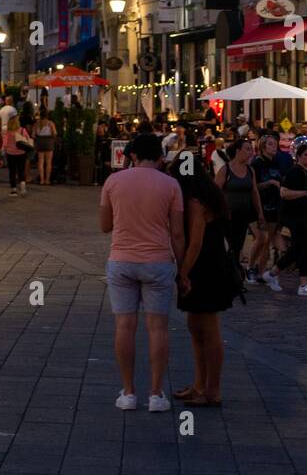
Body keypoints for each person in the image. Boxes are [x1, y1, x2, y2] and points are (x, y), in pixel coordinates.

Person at [100, 133, 184, 413]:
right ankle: (156, 394)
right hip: (158, 261)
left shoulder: (113, 181)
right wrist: (182, 269)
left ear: (133, 155)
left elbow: (105, 225)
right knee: (158, 328)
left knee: (125, 326)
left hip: (121, 259)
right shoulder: (171, 184)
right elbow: (178, 233)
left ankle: (128, 392)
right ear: (160, 157)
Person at [173, 157, 240, 407]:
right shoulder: (211, 195)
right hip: (212, 266)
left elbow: (196, 242)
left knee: (208, 330)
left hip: (205, 269)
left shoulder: (195, 202)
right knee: (196, 327)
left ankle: (212, 389)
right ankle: (199, 384)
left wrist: (183, 273)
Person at [273, 138, 307, 296]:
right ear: (299, 156)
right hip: (296, 216)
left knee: (297, 249)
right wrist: (306, 193)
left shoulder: (306, 172)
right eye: (306, 155)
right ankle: (304, 284)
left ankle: (272, 273)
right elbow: (284, 193)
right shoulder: (295, 171)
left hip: (304, 215)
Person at [216, 139, 263, 279]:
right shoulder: (226, 170)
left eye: (251, 149)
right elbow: (215, 191)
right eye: (247, 149)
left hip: (244, 213)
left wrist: (260, 212)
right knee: (233, 246)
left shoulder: (250, 170)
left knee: (238, 245)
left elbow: (254, 192)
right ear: (238, 151)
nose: (251, 153)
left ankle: (234, 275)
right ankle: (232, 274)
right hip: (229, 214)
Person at [249, 132, 291, 289]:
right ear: (263, 147)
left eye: (275, 144)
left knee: (268, 241)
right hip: (261, 205)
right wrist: (270, 183)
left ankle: (261, 272)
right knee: (261, 238)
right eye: (270, 144)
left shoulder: (276, 163)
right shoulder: (257, 163)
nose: (274, 147)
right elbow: (254, 187)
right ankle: (250, 267)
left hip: (274, 205)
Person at [3, 114, 32, 197]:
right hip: (21, 153)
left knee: (12, 171)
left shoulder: (7, 132)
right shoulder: (22, 130)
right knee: (21, 170)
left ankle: (14, 190)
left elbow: (5, 144)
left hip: (10, 153)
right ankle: (23, 186)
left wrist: (4, 151)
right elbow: (27, 139)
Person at [33, 108, 57, 185]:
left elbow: (33, 135)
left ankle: (41, 180)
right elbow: (54, 133)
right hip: (49, 141)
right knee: (49, 162)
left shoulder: (36, 124)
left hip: (40, 142)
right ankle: (47, 180)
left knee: (40, 162)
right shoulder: (50, 123)